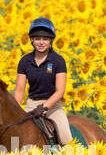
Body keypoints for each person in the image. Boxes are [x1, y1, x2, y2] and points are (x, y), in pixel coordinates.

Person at [14, 17, 73, 145]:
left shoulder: (58, 61)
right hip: (31, 105)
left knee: (66, 138)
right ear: (32, 40)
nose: (41, 42)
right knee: (13, 134)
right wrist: (15, 109)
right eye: (37, 39)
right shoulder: (24, 61)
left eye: (45, 39)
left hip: (53, 107)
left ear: (50, 40)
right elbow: (19, 89)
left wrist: (44, 107)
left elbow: (60, 91)